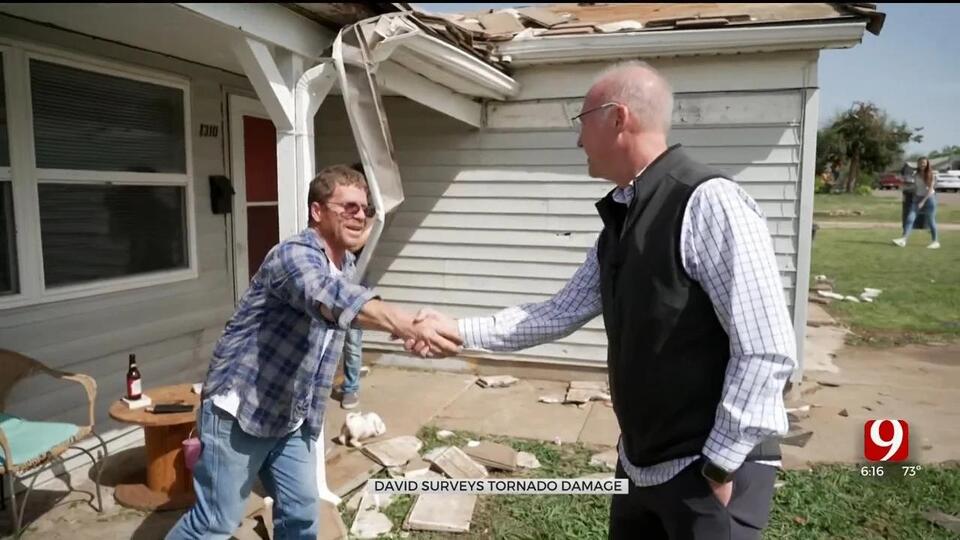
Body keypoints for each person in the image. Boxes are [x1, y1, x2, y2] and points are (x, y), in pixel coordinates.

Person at [409, 62, 797, 539]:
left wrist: (720, 464)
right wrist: (457, 330)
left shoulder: (707, 202)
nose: (577, 140)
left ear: (618, 118)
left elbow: (765, 347)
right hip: (641, 461)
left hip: (708, 464)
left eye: (582, 120)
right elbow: (559, 311)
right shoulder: (623, 217)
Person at [166, 164, 461, 539]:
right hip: (240, 411)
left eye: (365, 209)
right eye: (348, 207)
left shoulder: (347, 265)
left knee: (302, 515)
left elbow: (347, 312)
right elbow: (327, 298)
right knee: (215, 523)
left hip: (292, 416)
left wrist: (401, 332)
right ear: (317, 211)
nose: (360, 215)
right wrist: (404, 323)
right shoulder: (293, 256)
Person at [893, 156, 940, 249]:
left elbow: (930, 190)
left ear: (927, 164)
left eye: (924, 163)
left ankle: (935, 242)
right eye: (920, 163)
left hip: (929, 199)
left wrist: (923, 201)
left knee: (931, 221)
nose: (922, 164)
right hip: (917, 199)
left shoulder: (931, 174)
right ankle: (903, 240)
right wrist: (911, 193)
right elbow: (916, 187)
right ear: (917, 164)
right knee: (910, 218)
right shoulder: (916, 174)